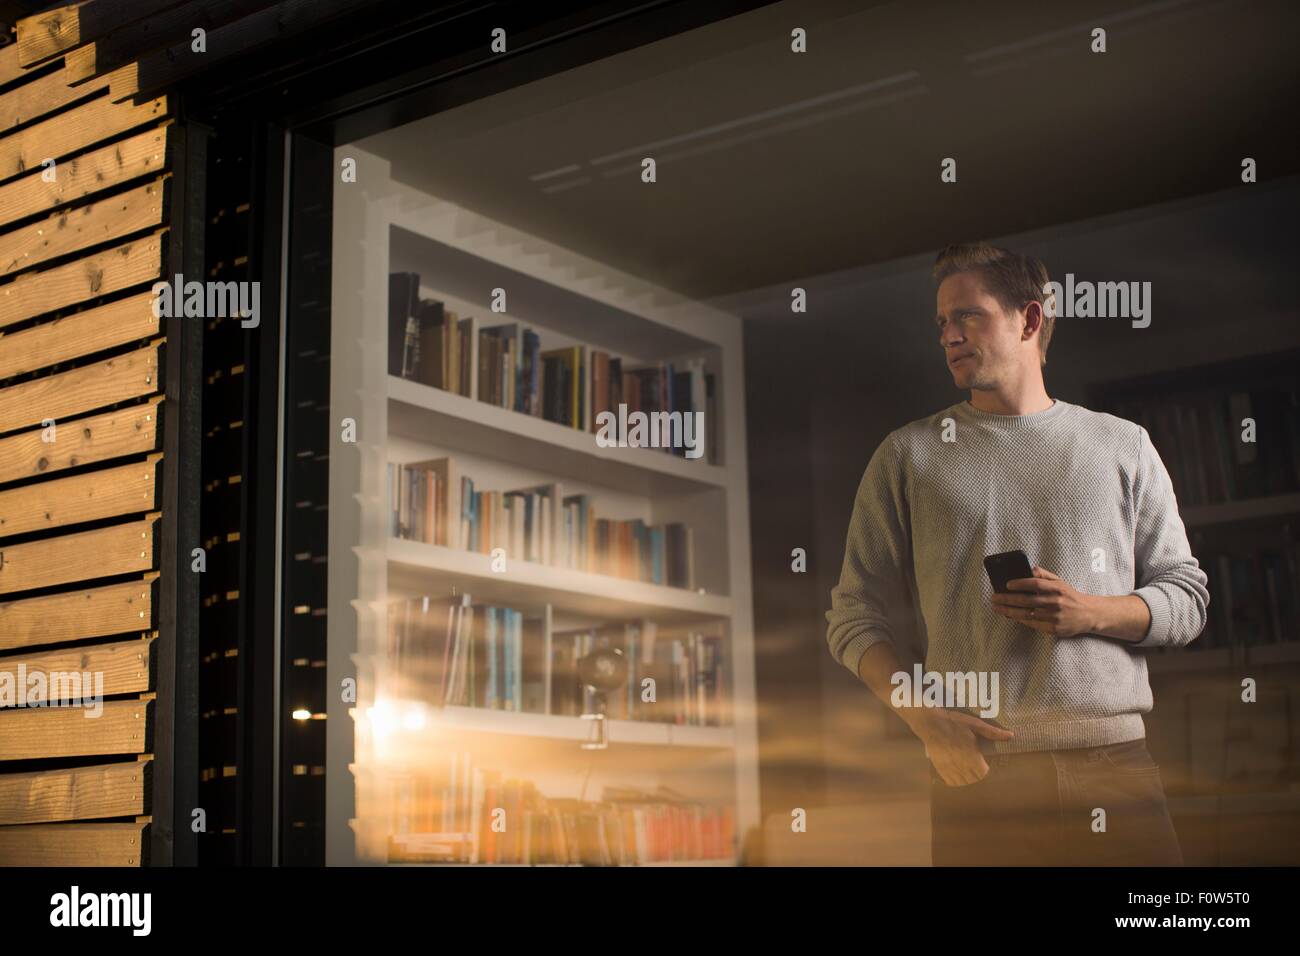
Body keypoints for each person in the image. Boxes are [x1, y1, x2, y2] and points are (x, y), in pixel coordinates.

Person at [825, 243, 1209, 866]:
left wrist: (1091, 613)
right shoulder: (908, 457)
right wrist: (924, 718)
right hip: (979, 777)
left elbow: (1187, 599)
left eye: (967, 316)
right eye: (942, 324)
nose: (948, 335)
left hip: (1116, 769)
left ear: (1029, 320)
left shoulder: (1121, 446)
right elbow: (851, 616)